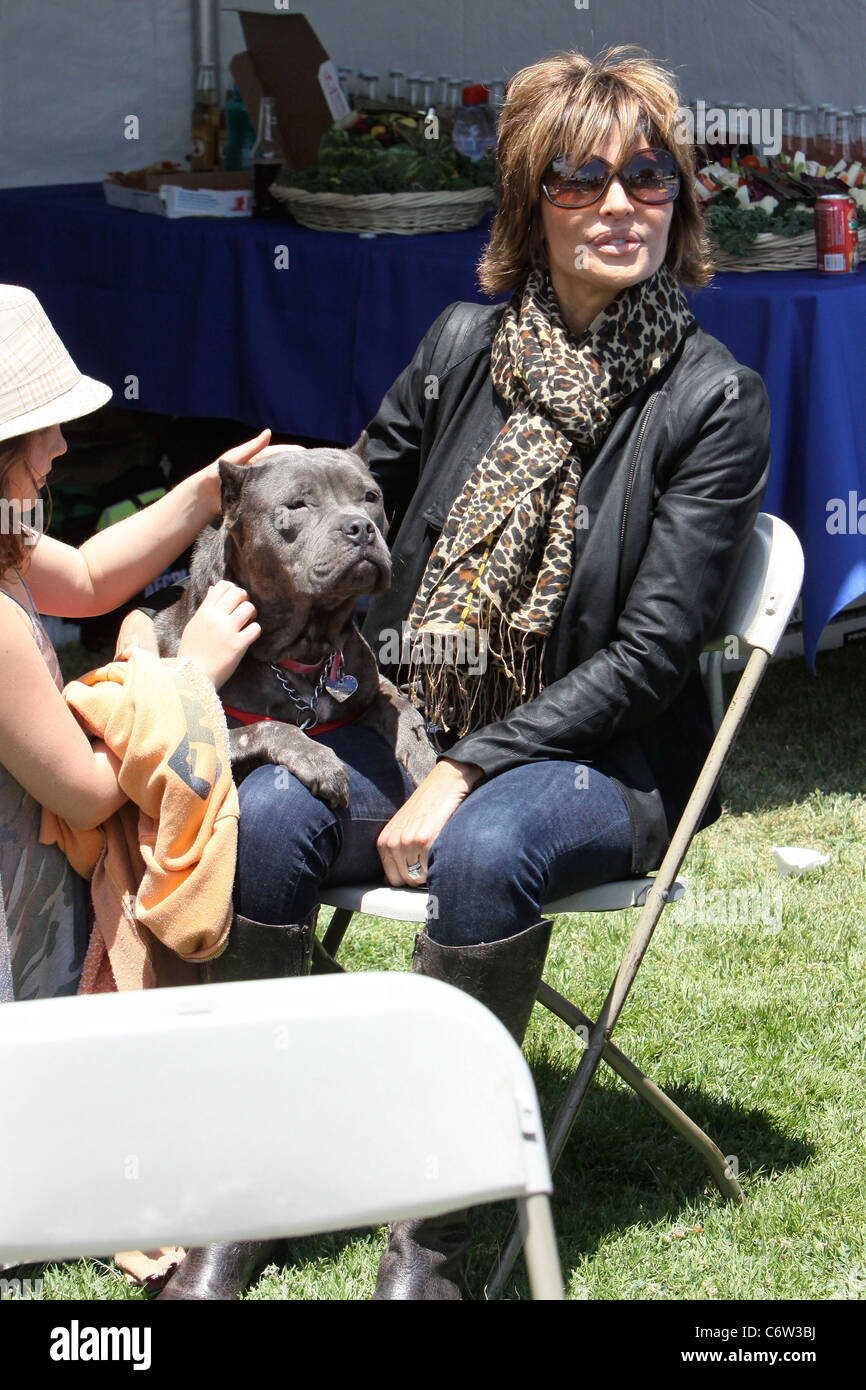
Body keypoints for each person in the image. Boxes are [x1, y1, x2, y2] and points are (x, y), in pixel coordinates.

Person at [214, 43, 771, 1302]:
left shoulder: (709, 401)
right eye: (582, 177)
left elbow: (647, 655)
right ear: (531, 205)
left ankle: (435, 1245)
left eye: (647, 178)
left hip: (598, 763)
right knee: (257, 815)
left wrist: (464, 768)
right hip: (409, 720)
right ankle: (239, 1192)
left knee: (478, 850)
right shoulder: (465, 343)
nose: (619, 203)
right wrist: (194, 585)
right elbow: (335, 510)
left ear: (677, 204)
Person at [0, 284, 267, 1004]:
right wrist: (188, 674)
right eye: (43, 426)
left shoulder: (6, 538)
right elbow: (86, 795)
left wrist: (203, 492)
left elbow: (86, 578)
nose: (62, 444)